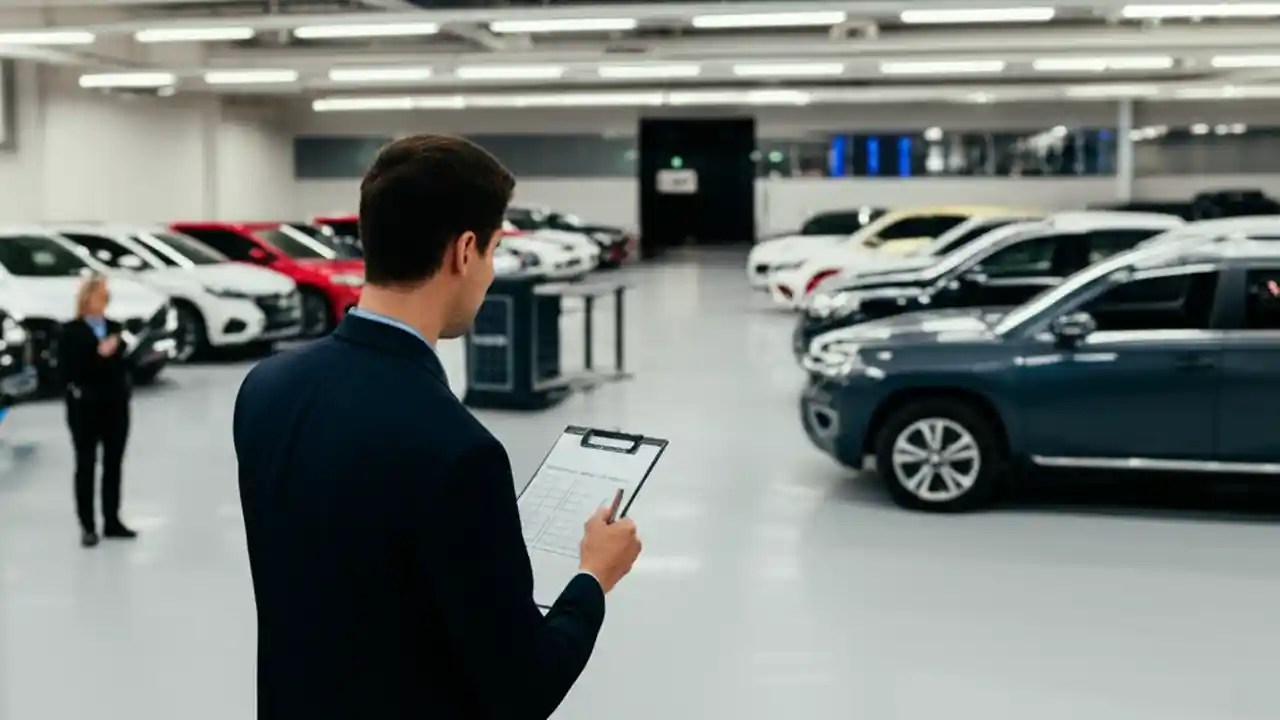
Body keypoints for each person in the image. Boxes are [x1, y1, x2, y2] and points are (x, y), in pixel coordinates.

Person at [234, 135, 643, 720]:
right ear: (465, 250)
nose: (492, 273)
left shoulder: (266, 390)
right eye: (496, 250)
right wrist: (592, 578)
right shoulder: (458, 451)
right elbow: (524, 686)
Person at [60, 274, 137, 548]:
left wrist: (118, 352)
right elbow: (69, 370)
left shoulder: (115, 328)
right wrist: (98, 355)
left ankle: (112, 520)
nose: (104, 300)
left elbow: (127, 364)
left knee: (113, 463)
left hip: (115, 404)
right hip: (85, 406)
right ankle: (88, 525)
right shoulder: (71, 331)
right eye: (100, 294)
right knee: (86, 463)